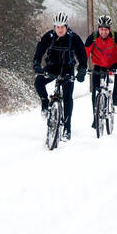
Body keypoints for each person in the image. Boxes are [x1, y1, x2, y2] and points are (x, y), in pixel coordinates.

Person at [32, 10, 87, 140]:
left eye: (62, 27)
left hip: (67, 70)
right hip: (51, 68)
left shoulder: (74, 38)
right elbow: (39, 51)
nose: (60, 30)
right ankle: (45, 103)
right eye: (57, 27)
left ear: (66, 27)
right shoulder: (49, 36)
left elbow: (82, 56)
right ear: (54, 27)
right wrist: (36, 64)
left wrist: (82, 70)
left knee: (67, 97)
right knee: (38, 82)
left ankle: (67, 129)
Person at [84, 13, 117, 125]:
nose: (103, 32)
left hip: (114, 63)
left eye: (106, 30)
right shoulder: (93, 38)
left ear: (110, 29)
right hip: (99, 64)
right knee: (95, 91)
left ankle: (115, 95)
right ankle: (95, 118)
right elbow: (84, 52)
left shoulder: (116, 37)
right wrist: (81, 65)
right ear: (98, 29)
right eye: (101, 29)